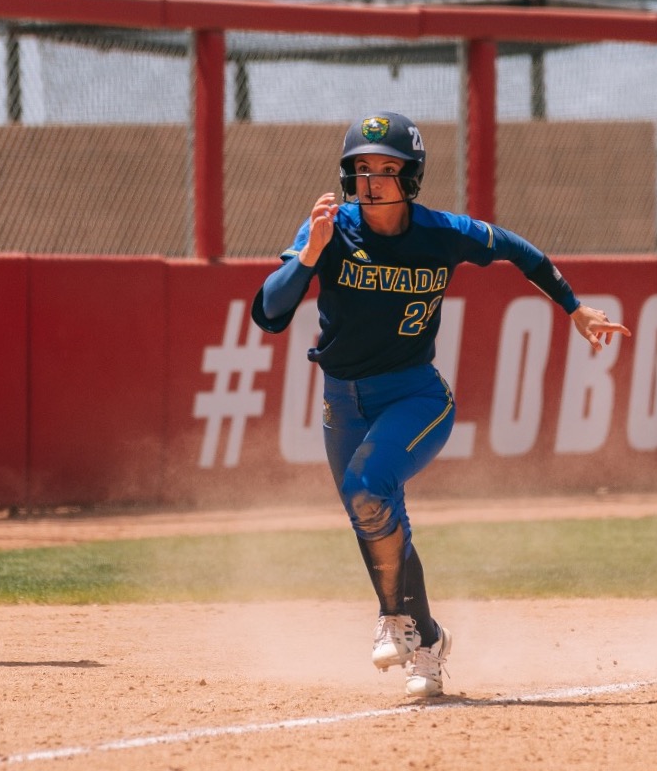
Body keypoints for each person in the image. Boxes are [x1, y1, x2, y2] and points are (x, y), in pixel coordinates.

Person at [251, 111, 630, 696]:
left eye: (387, 168)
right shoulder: (329, 230)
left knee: (368, 489)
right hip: (342, 400)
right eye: (361, 168)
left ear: (413, 176)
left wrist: (574, 307)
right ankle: (426, 640)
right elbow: (268, 315)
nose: (371, 179)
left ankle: (396, 622)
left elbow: (518, 250)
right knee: (373, 513)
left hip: (415, 395)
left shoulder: (442, 231)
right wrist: (309, 256)